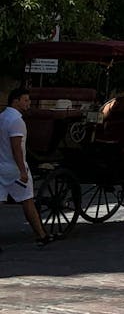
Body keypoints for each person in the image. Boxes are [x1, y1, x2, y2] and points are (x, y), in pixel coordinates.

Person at [1, 87, 52, 246]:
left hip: (1, 165)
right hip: (14, 169)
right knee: (28, 201)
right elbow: (17, 147)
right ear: (15, 101)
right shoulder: (17, 121)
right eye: (25, 100)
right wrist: (22, 170)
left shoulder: (2, 117)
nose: (28, 104)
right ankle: (41, 235)